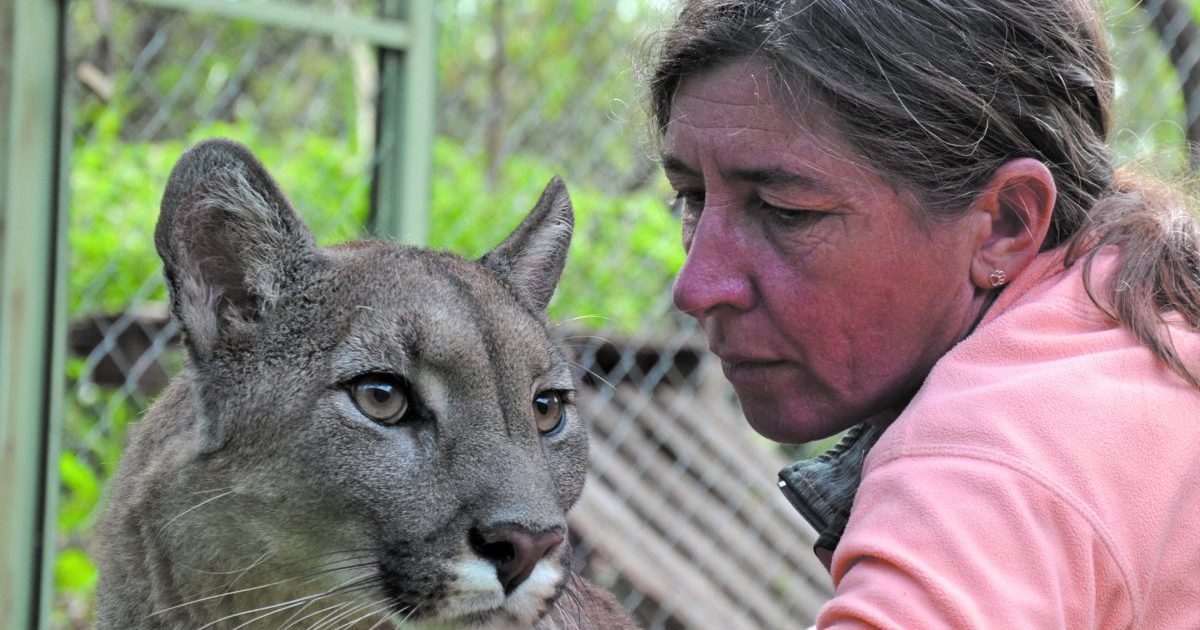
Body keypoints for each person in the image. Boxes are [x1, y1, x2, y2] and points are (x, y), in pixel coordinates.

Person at [647, 1, 1200, 627]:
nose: (697, 286)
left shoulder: (989, 464)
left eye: (786, 211)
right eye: (691, 198)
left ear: (1005, 223)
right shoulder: (1144, 334)